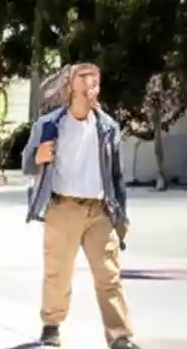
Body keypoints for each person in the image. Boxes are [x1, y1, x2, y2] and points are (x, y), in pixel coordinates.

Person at [24, 63, 138, 349]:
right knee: (57, 273)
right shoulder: (50, 124)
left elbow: (117, 175)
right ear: (69, 86)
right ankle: (51, 325)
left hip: (100, 210)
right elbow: (27, 163)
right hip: (63, 207)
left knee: (110, 276)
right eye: (84, 78)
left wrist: (121, 215)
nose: (91, 85)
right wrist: (39, 156)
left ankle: (120, 336)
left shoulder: (107, 127)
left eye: (96, 80)